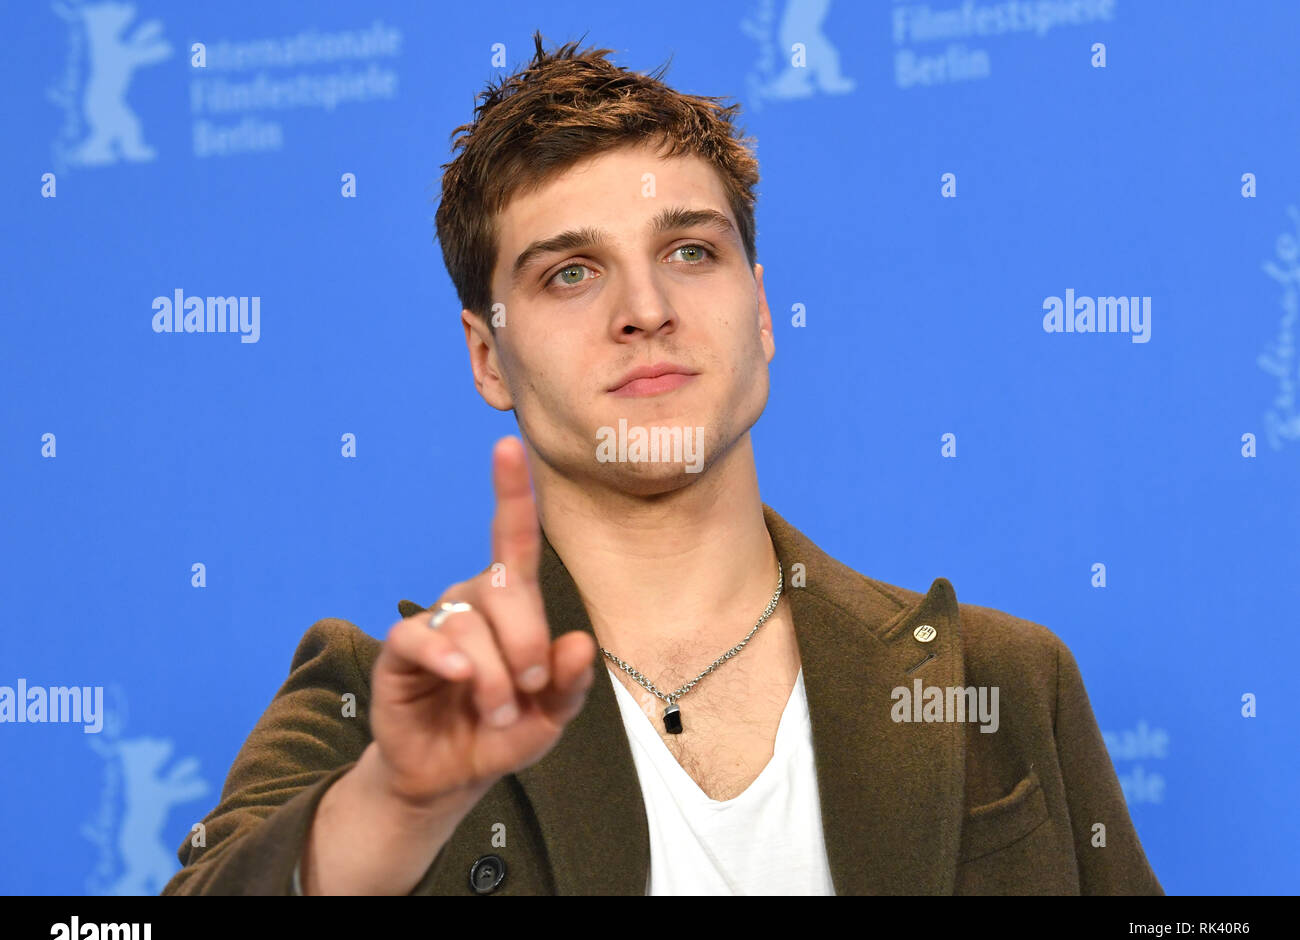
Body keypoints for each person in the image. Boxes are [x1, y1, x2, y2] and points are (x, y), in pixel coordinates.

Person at [162, 33, 1163, 896]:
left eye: (689, 250)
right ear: (486, 357)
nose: (645, 308)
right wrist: (395, 801)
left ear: (761, 310)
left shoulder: (1003, 677)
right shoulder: (370, 695)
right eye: (570, 272)